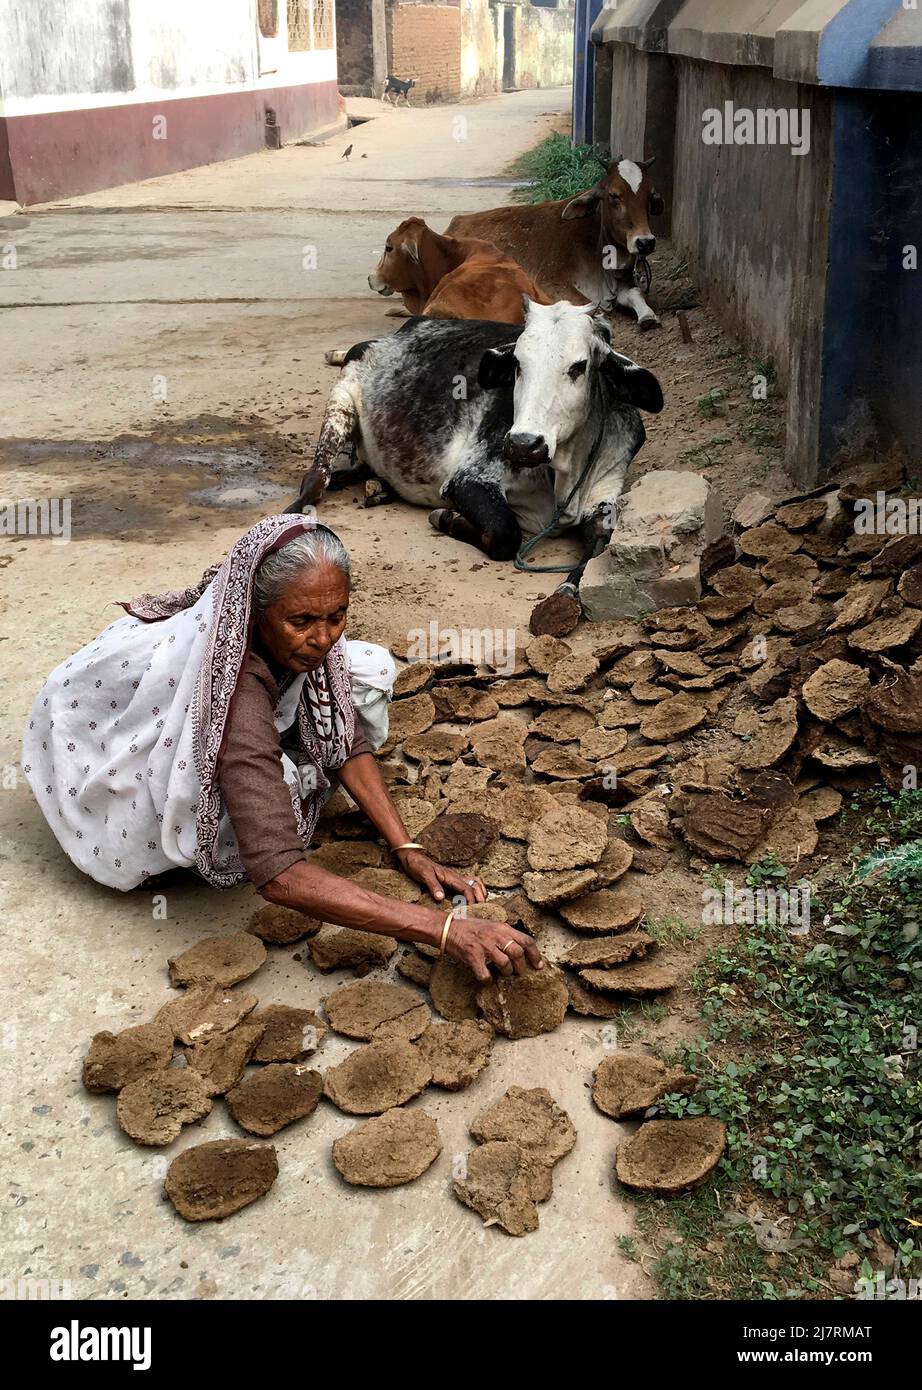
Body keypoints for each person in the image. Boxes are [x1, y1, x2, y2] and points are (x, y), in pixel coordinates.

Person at [22, 515, 541, 982]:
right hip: (96, 734)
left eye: (337, 616)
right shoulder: (234, 692)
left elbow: (343, 733)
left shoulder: (309, 629)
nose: (324, 639)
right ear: (254, 612)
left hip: (236, 687)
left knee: (369, 671)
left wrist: (407, 848)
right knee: (266, 787)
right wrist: (443, 929)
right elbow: (278, 872)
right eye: (302, 622)